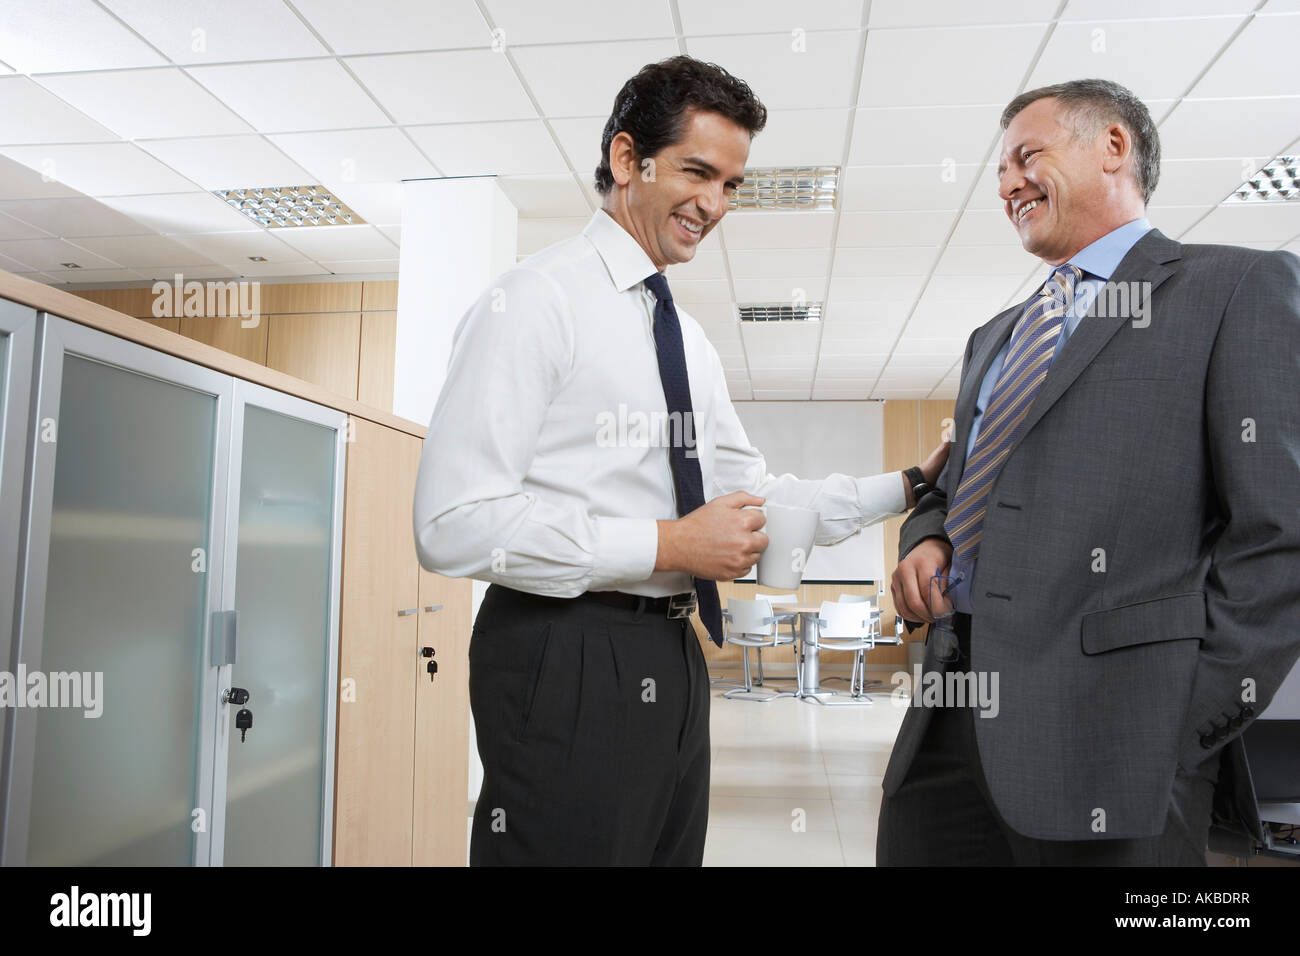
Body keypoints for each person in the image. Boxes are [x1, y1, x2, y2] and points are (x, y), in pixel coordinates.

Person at [413, 55, 947, 866]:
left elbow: (758, 495)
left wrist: (911, 485)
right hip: (566, 650)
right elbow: (452, 524)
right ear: (628, 159)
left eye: (731, 183)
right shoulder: (533, 301)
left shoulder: (685, 339)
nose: (714, 203)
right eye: (699, 171)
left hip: (672, 650)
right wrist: (669, 546)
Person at [881, 77, 1300, 865]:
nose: (1006, 184)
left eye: (1025, 156)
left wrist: (1183, 721)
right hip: (947, 727)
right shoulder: (995, 336)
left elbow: (1281, 532)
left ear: (1113, 146)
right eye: (999, 172)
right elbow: (950, 489)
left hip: (1119, 746)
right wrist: (928, 537)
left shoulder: (1234, 289)